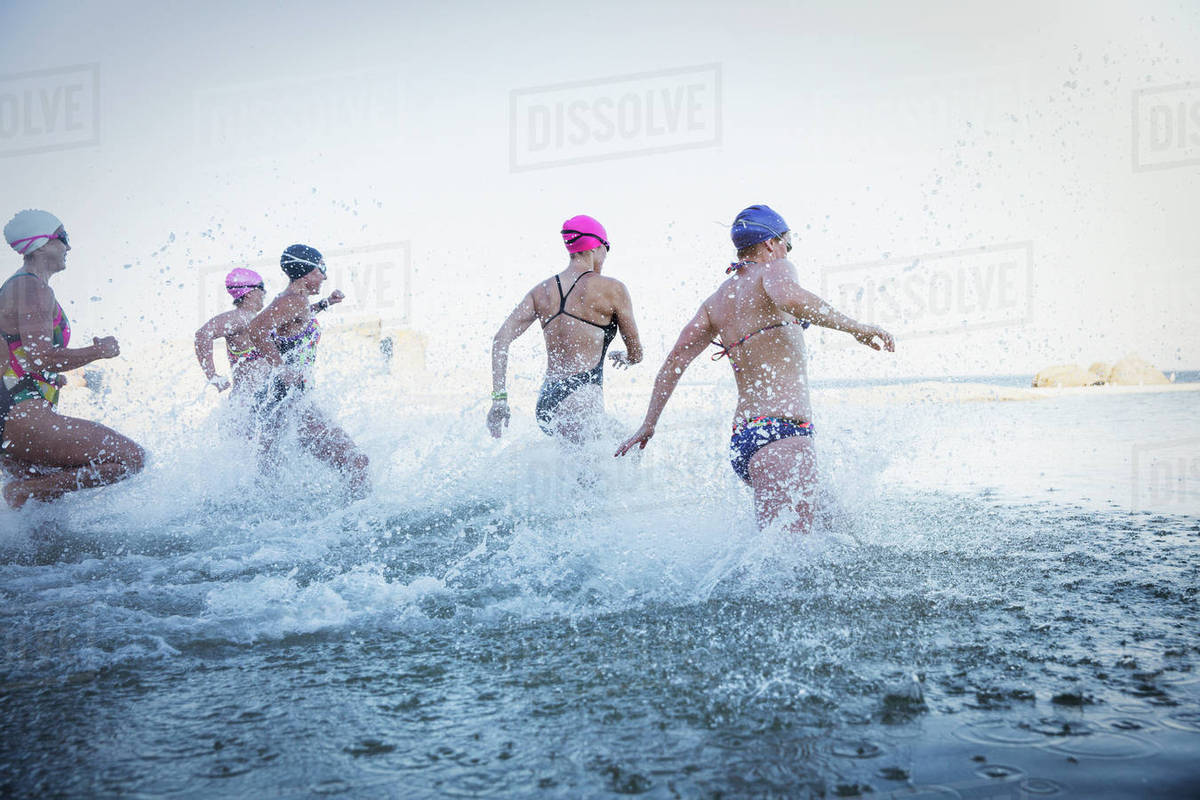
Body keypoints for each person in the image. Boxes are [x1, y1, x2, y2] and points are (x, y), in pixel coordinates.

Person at [615, 205, 894, 533]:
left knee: (838, 528)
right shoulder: (774, 269)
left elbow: (673, 363)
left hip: (746, 440)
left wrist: (649, 424)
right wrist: (855, 327)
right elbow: (790, 297)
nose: (787, 252)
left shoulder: (716, 301)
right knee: (790, 560)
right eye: (788, 244)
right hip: (782, 434)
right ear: (771, 243)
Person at [0, 209, 145, 508]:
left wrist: (54, 378)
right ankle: (20, 491)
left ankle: (23, 506)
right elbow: (41, 357)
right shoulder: (30, 287)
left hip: (14, 411)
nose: (68, 247)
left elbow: (19, 356)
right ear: (40, 245)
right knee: (130, 458)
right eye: (63, 238)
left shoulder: (19, 287)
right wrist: (98, 352)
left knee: (44, 518)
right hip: (20, 414)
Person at [489, 214, 644, 444]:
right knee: (589, 478)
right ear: (596, 246)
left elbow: (500, 340)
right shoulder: (613, 289)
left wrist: (499, 399)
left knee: (629, 444)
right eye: (607, 249)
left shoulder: (541, 291)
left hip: (547, 400)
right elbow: (637, 353)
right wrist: (627, 357)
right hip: (581, 398)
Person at [246, 244, 368, 497]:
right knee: (356, 463)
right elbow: (256, 329)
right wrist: (281, 369)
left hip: (284, 399)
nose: (324, 276)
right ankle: (356, 525)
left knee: (268, 478)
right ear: (306, 270)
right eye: (321, 269)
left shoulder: (295, 301)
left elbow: (295, 318)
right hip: (288, 399)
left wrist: (326, 303)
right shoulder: (291, 300)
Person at [193, 268, 270, 397]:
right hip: (250, 403)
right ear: (249, 292)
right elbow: (202, 334)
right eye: (261, 287)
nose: (265, 292)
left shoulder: (253, 319)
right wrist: (212, 376)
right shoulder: (240, 317)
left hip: (258, 401)